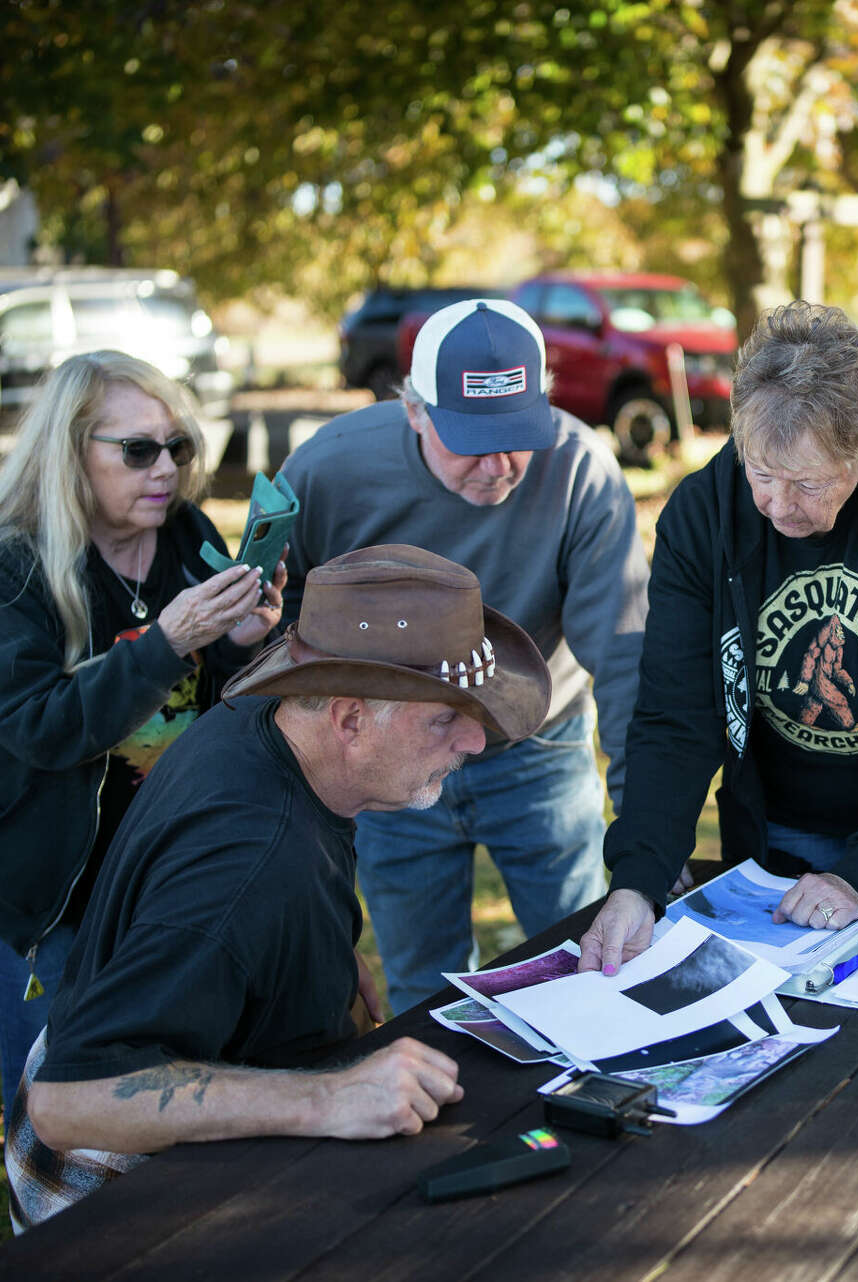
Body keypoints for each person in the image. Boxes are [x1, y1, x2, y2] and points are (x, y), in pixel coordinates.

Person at [7, 544, 551, 1229]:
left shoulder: (272, 721)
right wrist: (327, 1098)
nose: (475, 742)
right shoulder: (249, 869)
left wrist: (319, 952)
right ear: (349, 718)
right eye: (444, 718)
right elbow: (69, 1102)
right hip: (106, 1194)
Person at [579, 301, 858, 974]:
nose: (774, 504)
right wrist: (637, 876)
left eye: (805, 483)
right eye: (759, 472)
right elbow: (676, 713)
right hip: (782, 825)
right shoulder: (703, 514)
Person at [0, 351, 284, 1126]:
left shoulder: (182, 532)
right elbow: (42, 727)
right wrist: (163, 641)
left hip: (149, 848)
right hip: (36, 867)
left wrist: (243, 640)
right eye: (137, 449)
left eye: (177, 447)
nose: (165, 469)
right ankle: (44, 1226)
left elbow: (208, 696)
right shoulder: (10, 564)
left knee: (153, 1050)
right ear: (70, 453)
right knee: (56, 1072)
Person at [281, 298, 647, 1013]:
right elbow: (280, 636)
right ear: (414, 410)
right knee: (427, 993)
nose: (498, 464)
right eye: (470, 439)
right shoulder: (328, 470)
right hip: (390, 761)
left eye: (516, 434)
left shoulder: (580, 472)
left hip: (537, 743)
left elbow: (629, 659)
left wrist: (640, 855)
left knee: (590, 969)